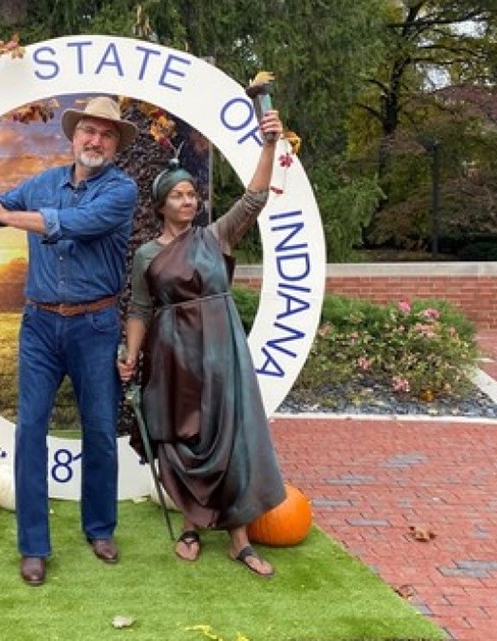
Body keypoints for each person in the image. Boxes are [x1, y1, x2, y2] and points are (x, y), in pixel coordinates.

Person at [0, 96, 139, 586]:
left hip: (96, 326)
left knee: (101, 430)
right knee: (30, 432)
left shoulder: (122, 190)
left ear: (115, 145)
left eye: (106, 135)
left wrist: (2, 212)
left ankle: (100, 528)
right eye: (89, 130)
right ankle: (34, 547)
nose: (95, 141)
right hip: (40, 327)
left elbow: (70, 226)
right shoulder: (43, 183)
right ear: (73, 135)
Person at [116, 109, 288, 578]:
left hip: (220, 351)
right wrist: (130, 355)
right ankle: (192, 527)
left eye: (193, 194)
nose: (189, 201)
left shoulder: (217, 236)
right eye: (179, 195)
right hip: (172, 356)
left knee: (230, 437)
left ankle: (239, 540)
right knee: (181, 438)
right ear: (161, 204)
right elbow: (140, 308)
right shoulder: (147, 255)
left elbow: (254, 199)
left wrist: (268, 144)